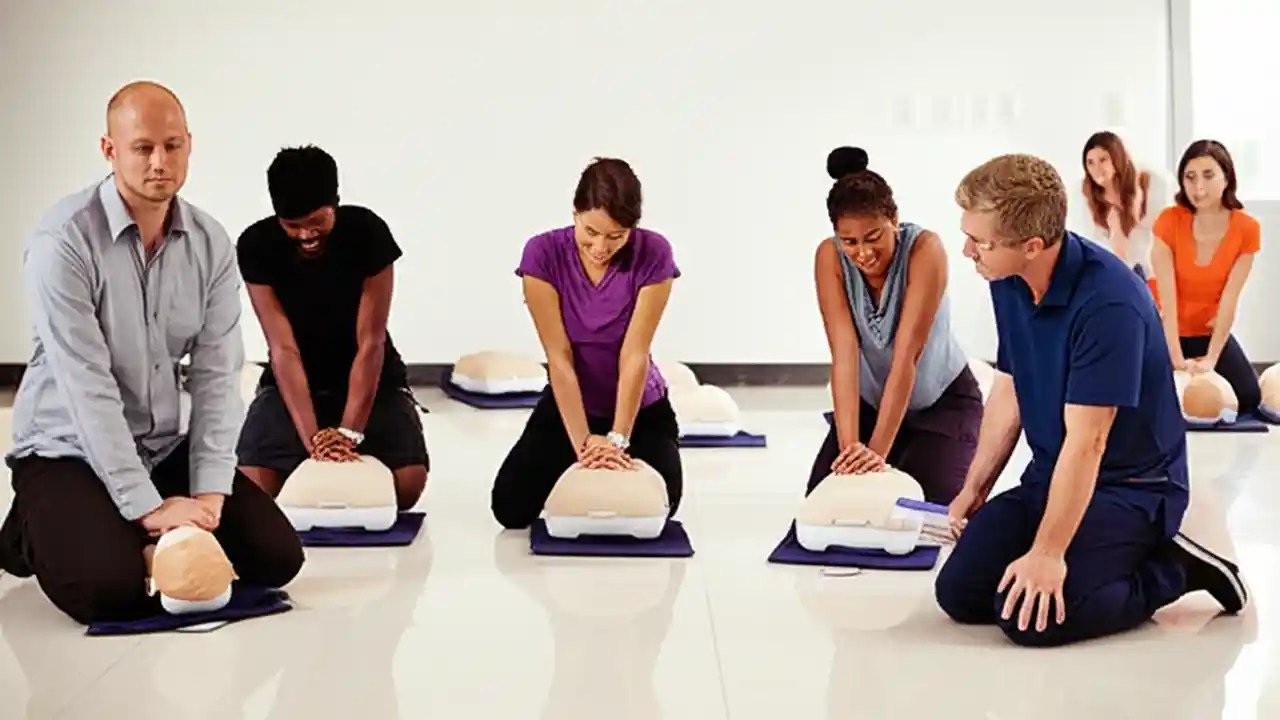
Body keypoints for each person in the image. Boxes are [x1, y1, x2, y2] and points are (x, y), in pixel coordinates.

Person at [0, 81, 304, 625]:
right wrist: (149, 509)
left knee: (277, 558)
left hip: (163, 445)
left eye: (172, 145)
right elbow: (87, 387)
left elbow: (216, 375)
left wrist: (209, 492)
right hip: (68, 449)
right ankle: (32, 524)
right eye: (142, 148)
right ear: (109, 150)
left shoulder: (210, 242)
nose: (159, 162)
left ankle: (112, 521)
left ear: (189, 144)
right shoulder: (63, 242)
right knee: (108, 590)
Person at [935, 153, 1248, 648]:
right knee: (960, 593)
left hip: (1132, 488)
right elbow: (1010, 389)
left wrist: (1048, 552)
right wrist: (974, 491)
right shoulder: (1007, 280)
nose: (968, 251)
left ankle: (1179, 568)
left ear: (1032, 245)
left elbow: (1089, 441)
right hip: (1051, 474)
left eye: (980, 241)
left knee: (1032, 620)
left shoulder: (1110, 303)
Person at [490, 157, 682, 529]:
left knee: (660, 507)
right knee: (510, 510)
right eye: (591, 231)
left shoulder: (654, 252)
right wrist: (584, 447)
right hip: (571, 402)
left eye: (616, 236)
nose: (600, 246)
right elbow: (558, 357)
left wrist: (616, 439)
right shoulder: (542, 254)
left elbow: (634, 353)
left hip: (640, 408)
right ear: (575, 213)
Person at [235, 145, 428, 510]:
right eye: (293, 226)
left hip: (371, 375)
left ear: (335, 203)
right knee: (253, 490)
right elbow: (282, 349)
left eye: (317, 222)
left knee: (407, 488)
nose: (307, 234)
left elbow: (370, 341)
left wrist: (349, 431)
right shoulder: (256, 245)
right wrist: (314, 441)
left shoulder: (367, 233)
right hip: (294, 379)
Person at [808, 146, 983, 504]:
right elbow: (844, 356)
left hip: (940, 405)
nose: (863, 253)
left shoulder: (925, 250)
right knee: (830, 500)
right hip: (872, 406)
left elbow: (906, 357)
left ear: (894, 220)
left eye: (874, 237)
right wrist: (853, 452)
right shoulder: (830, 257)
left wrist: (877, 459)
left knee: (921, 510)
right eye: (850, 242)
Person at [1150, 140, 1262, 415]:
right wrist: (1175, 356)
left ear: (1227, 177)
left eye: (1208, 175)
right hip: (1165, 330)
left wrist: (1211, 358)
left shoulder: (1247, 228)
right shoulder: (1168, 221)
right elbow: (1167, 299)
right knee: (1144, 401)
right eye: (1190, 177)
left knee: (1249, 397)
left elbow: (1229, 300)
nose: (1198, 187)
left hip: (1208, 331)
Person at [1080, 130, 1165, 298]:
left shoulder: (1149, 185)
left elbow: (1162, 236)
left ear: (1116, 158)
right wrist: (1116, 231)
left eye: (1103, 160)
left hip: (1152, 277)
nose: (1097, 169)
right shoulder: (1088, 196)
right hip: (1118, 277)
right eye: (1090, 162)